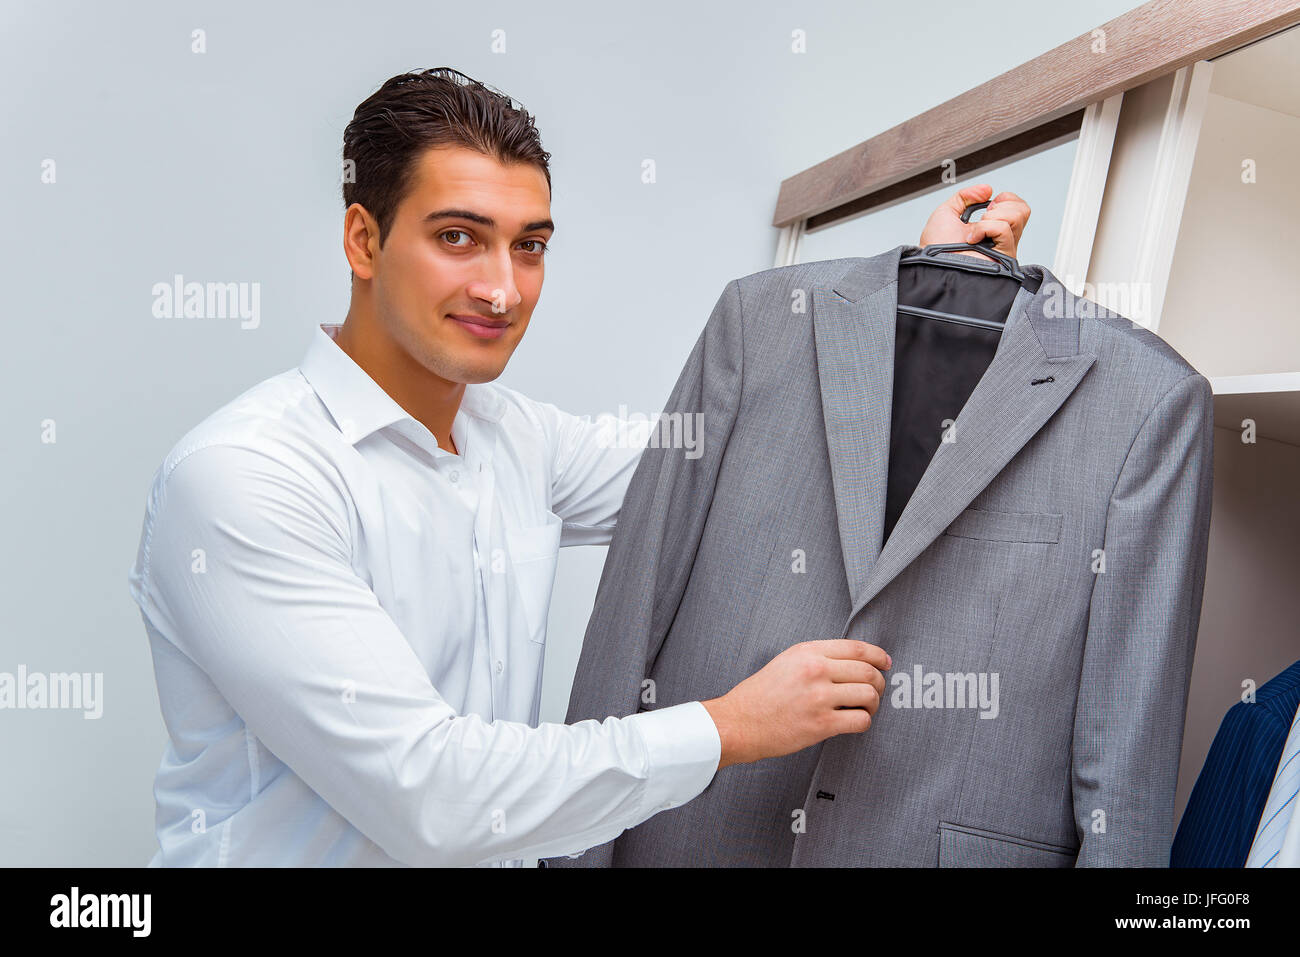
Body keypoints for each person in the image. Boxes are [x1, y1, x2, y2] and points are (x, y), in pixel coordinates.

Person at [127, 67, 1032, 867]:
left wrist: (931, 289)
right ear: (363, 241)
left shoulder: (517, 437)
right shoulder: (246, 478)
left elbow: (737, 460)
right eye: (457, 237)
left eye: (529, 245)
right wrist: (732, 727)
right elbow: (433, 796)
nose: (502, 288)